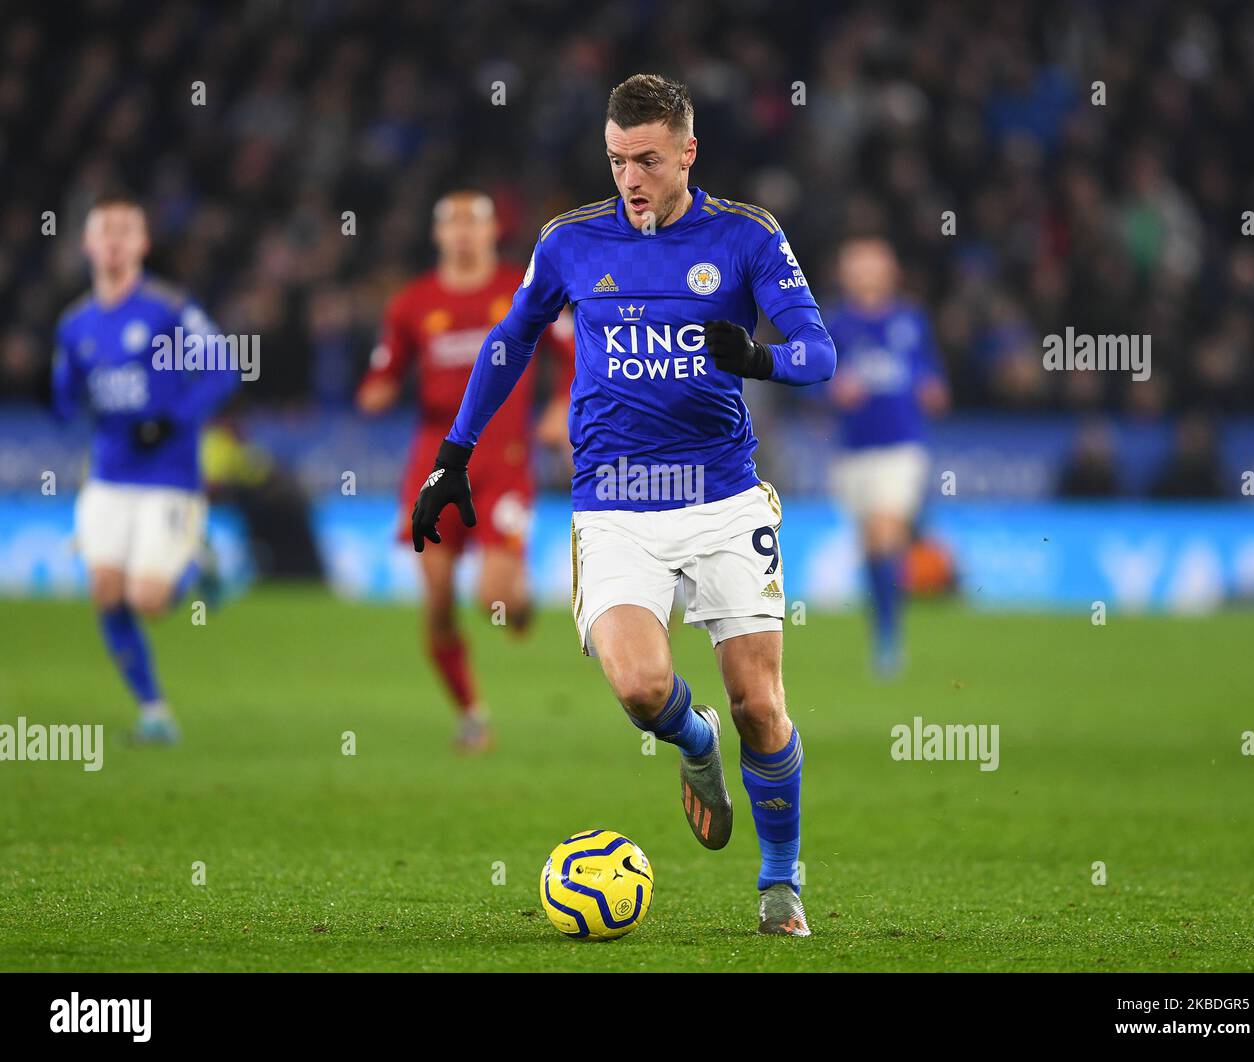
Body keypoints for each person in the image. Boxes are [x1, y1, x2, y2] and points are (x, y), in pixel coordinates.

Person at [410, 75, 836, 935]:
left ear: (687, 153)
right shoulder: (571, 241)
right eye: (616, 160)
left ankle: (780, 881)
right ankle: (694, 743)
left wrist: (756, 359)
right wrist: (455, 454)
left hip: (720, 497)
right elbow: (512, 338)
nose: (630, 177)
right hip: (613, 502)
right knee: (642, 687)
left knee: (762, 704)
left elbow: (819, 353)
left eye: (646, 159)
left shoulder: (747, 236)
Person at [357, 190, 572, 752]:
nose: (461, 234)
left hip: (505, 463)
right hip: (434, 465)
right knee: (437, 603)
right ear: (438, 236)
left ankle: (519, 603)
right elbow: (385, 368)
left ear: (490, 231)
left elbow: (573, 351)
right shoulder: (411, 303)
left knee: (494, 599)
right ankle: (472, 714)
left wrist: (559, 406)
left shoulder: (519, 291)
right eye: (450, 224)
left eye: (471, 223)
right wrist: (376, 390)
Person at [51, 195, 240, 744]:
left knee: (148, 601)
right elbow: (69, 395)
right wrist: (60, 403)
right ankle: (154, 710)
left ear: (142, 244)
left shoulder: (169, 308)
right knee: (105, 591)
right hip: (108, 475)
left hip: (169, 474)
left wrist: (172, 418)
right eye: (103, 230)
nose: (113, 240)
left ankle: (198, 562)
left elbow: (222, 369)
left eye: (124, 231)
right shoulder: (75, 323)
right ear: (87, 243)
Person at [825, 237, 949, 677]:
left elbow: (928, 369)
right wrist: (833, 389)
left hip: (902, 445)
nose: (864, 273)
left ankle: (888, 640)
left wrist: (933, 388)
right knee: (871, 543)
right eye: (856, 265)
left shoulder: (909, 320)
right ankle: (882, 626)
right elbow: (816, 377)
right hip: (854, 451)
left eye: (872, 264)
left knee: (884, 529)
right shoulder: (835, 323)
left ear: (889, 270)